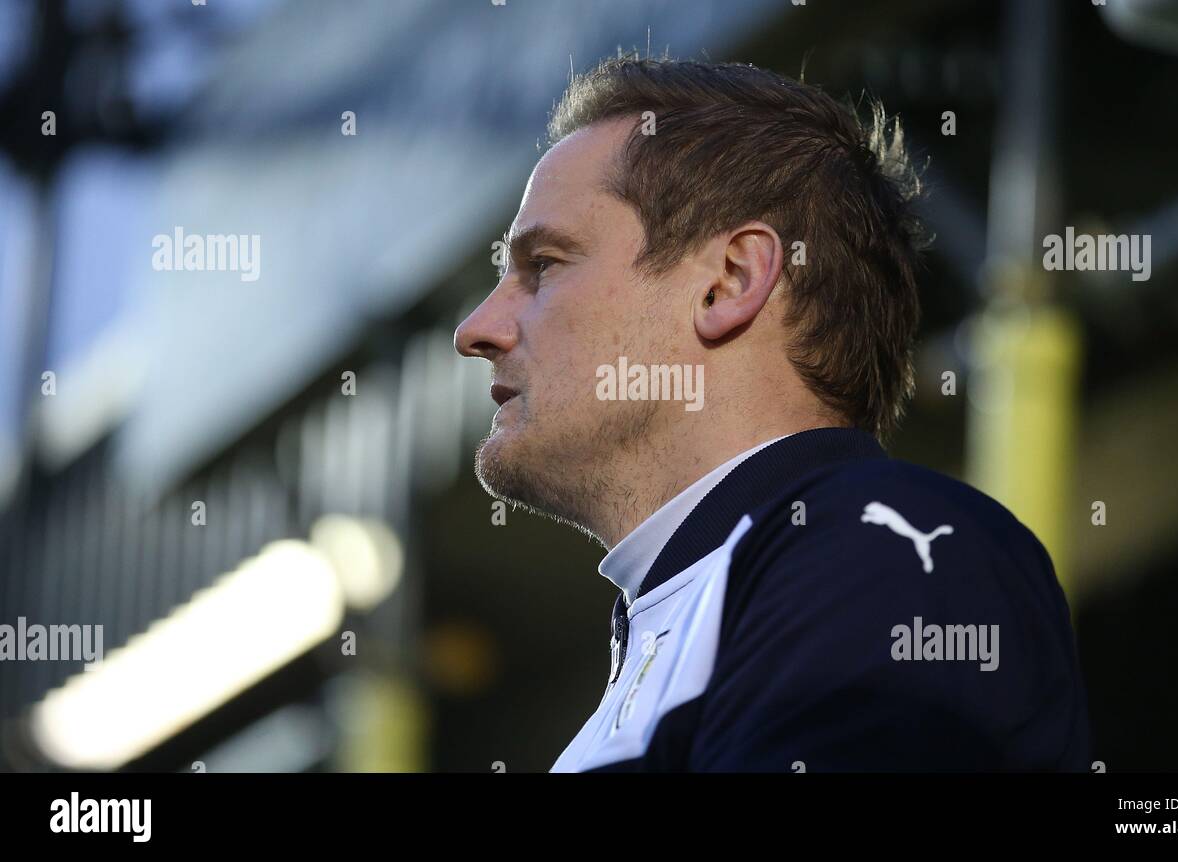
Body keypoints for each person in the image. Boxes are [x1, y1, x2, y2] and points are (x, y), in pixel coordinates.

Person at [453, 56, 1090, 772]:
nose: (476, 329)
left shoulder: (882, 546)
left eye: (544, 264)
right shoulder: (721, 599)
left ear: (729, 282)